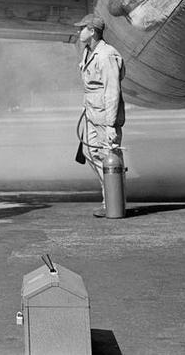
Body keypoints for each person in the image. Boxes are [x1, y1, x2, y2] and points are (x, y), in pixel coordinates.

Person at [75, 14, 125, 218]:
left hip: (105, 116)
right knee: (89, 153)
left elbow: (112, 91)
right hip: (91, 114)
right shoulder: (88, 52)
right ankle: (109, 198)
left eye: (82, 28)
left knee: (109, 157)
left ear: (92, 31)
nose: (78, 32)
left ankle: (113, 203)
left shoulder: (105, 55)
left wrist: (111, 124)